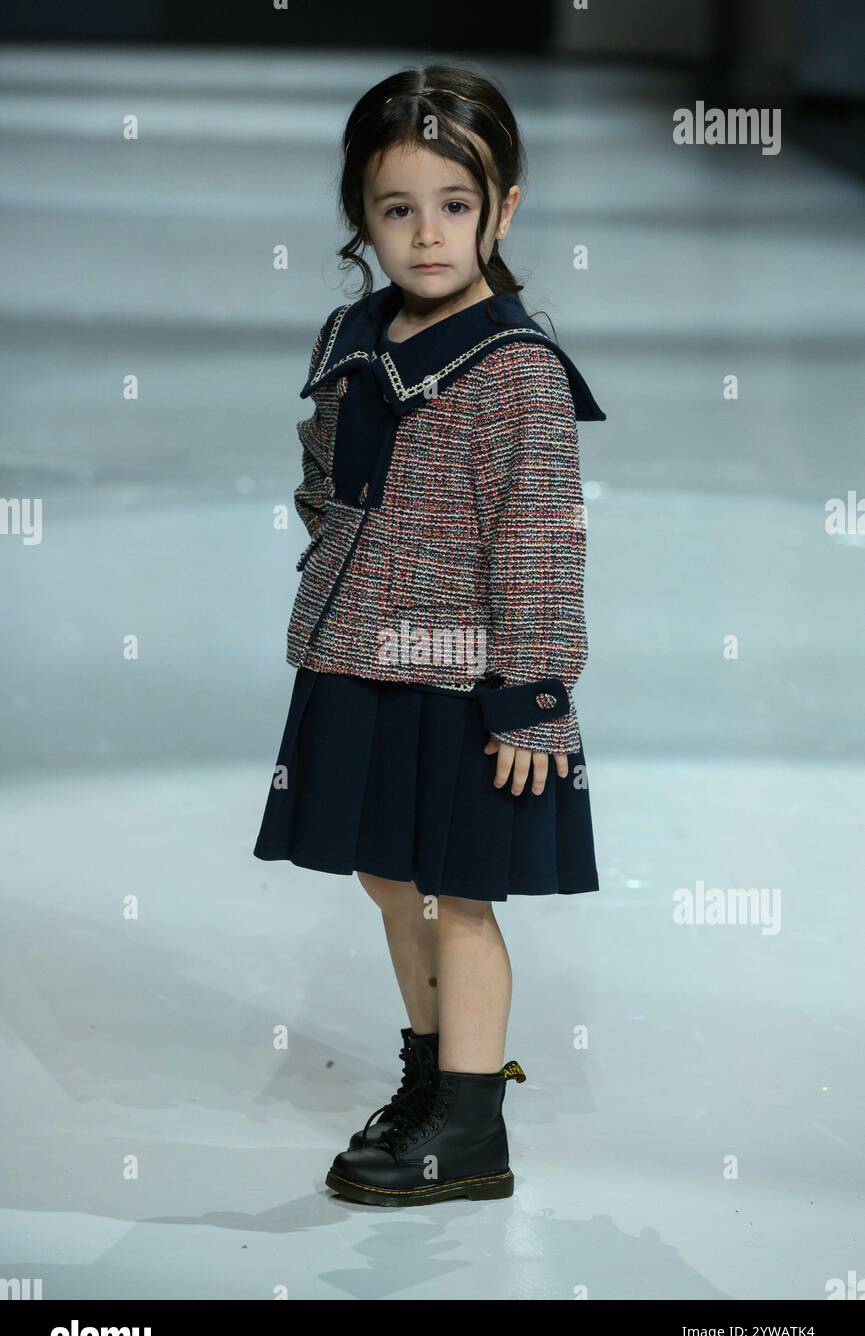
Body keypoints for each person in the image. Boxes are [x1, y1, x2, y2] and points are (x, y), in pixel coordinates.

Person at [253, 63, 606, 1206]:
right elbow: (325, 482)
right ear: (361, 214)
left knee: (462, 891)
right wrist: (339, 577)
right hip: (358, 657)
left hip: (465, 680)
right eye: (396, 208)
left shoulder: (516, 372)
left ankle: (468, 1124)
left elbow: (542, 540)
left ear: (502, 209)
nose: (426, 233)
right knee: (382, 870)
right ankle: (429, 1070)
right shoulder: (352, 335)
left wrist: (533, 691)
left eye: (454, 205)